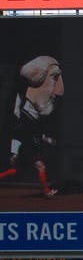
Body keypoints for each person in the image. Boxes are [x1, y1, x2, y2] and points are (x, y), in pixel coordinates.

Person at [0, 55, 64, 197]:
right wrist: (14, 151)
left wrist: (46, 139)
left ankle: (46, 191)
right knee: (39, 166)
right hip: (26, 142)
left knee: (19, 169)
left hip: (28, 141)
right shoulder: (24, 112)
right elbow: (19, 131)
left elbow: (30, 132)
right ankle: (47, 191)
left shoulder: (35, 113)